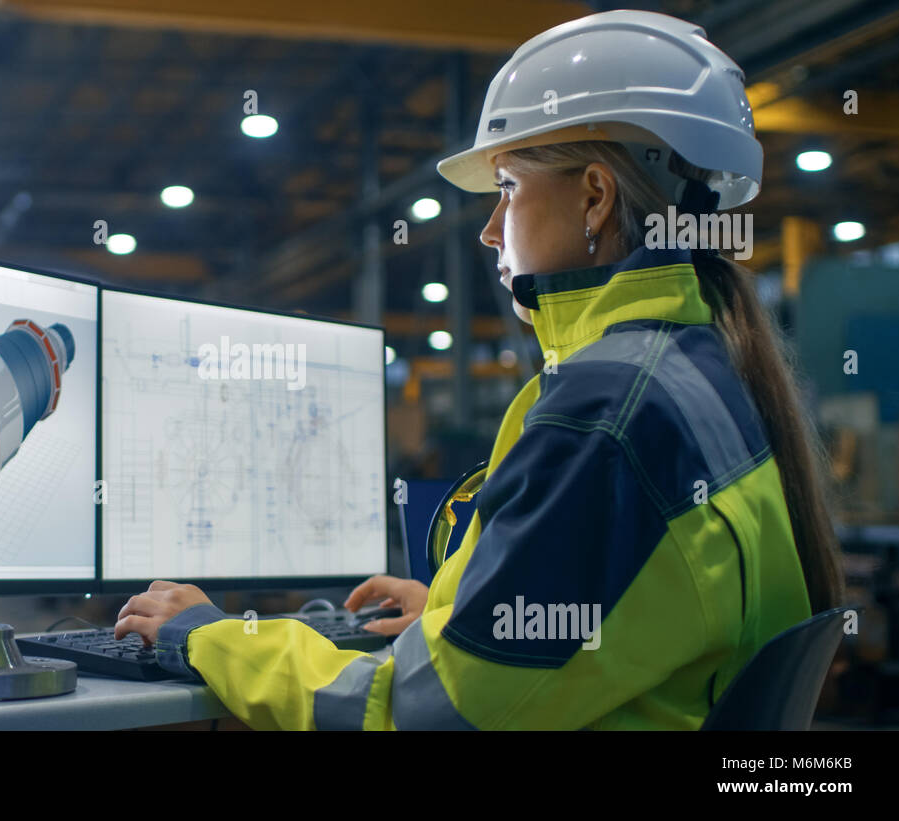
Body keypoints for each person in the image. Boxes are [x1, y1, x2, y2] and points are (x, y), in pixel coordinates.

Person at [114, 9, 844, 730]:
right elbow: (635, 614)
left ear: (595, 195)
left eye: (506, 187)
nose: (490, 229)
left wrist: (209, 634)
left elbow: (415, 715)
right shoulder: (702, 370)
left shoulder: (607, 414)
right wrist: (455, 614)